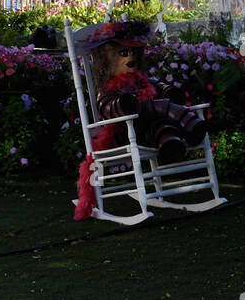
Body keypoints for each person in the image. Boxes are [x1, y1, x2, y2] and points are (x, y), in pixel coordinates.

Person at [73, 20, 208, 220]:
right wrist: (124, 103)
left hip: (147, 131)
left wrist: (169, 91)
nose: (131, 56)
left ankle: (171, 146)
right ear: (108, 59)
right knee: (159, 108)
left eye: (134, 51)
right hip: (124, 134)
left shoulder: (142, 80)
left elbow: (158, 86)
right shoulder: (109, 89)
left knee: (160, 124)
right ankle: (190, 126)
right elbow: (105, 107)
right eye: (123, 53)